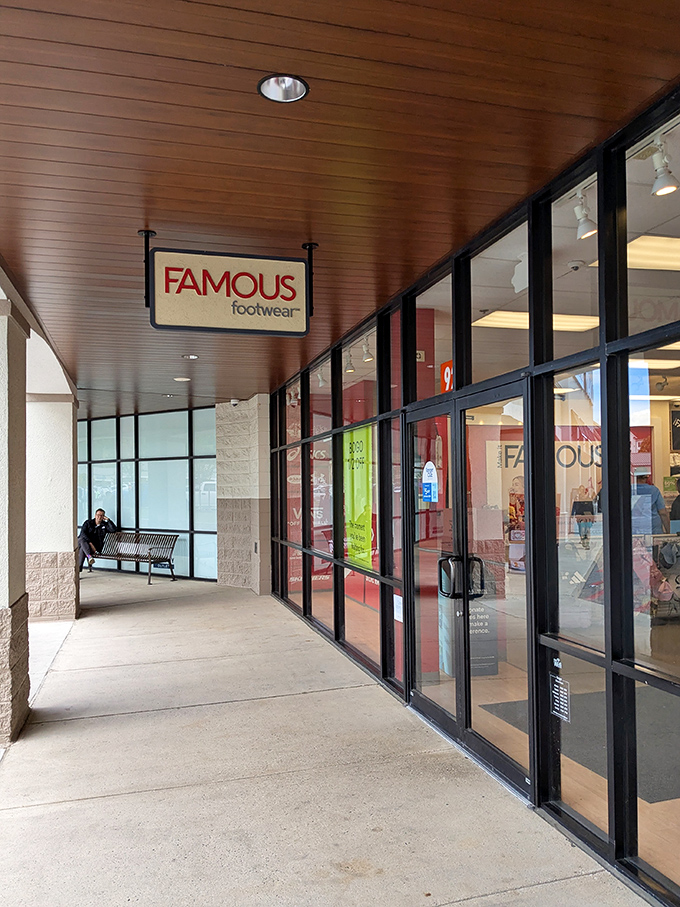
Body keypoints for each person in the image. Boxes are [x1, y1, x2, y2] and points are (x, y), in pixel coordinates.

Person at [571, 484, 595, 549]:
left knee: (587, 530)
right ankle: (584, 543)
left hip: (588, 517)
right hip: (580, 517)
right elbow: (574, 507)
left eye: (583, 489)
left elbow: (592, 508)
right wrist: (572, 514)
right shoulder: (577, 498)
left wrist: (593, 517)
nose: (581, 491)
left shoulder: (588, 499)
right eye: (580, 490)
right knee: (582, 530)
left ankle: (587, 543)